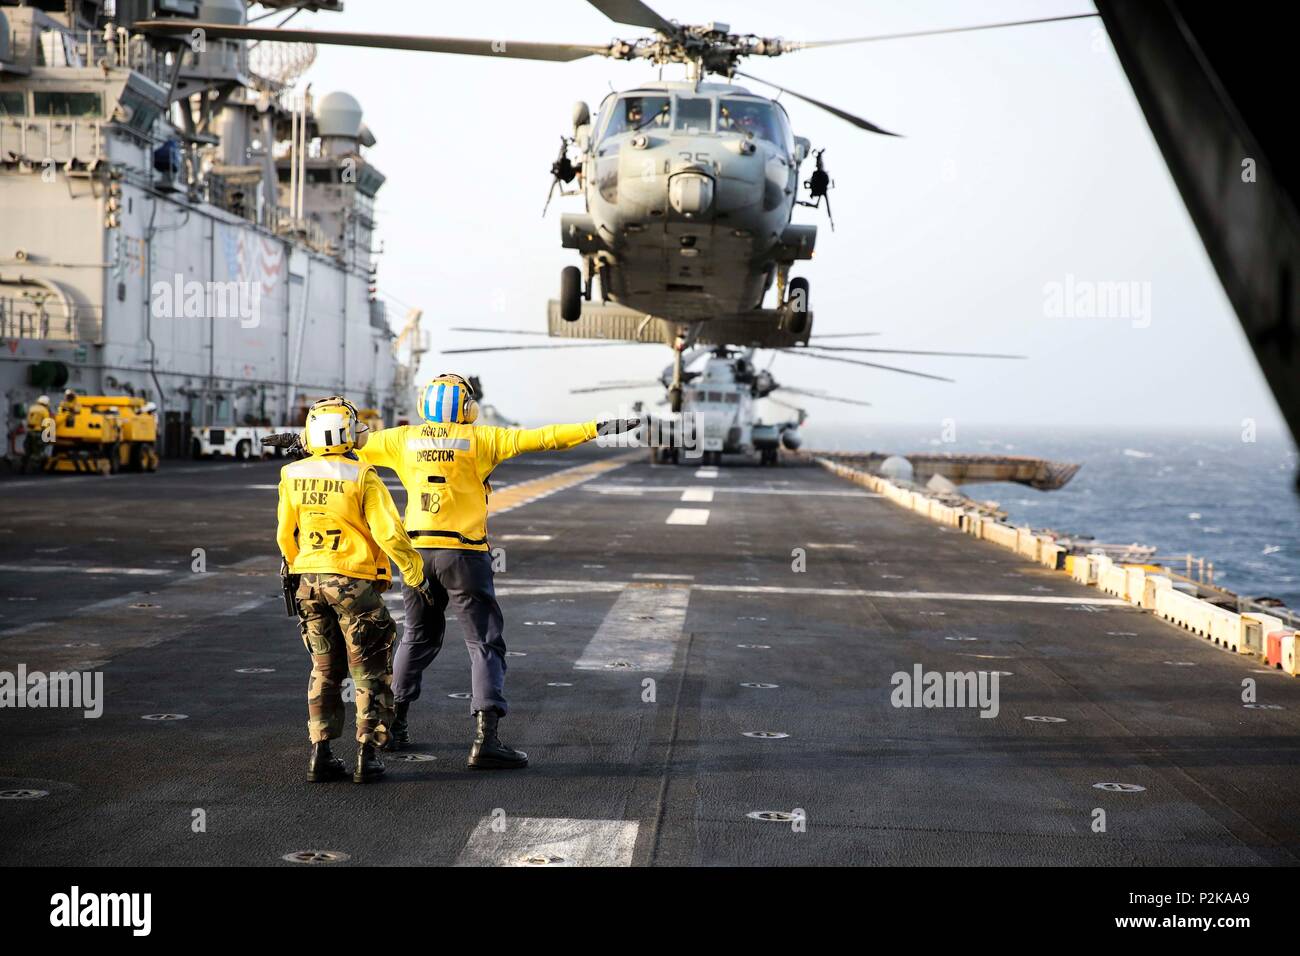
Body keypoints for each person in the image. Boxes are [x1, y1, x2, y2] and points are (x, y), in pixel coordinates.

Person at [357, 373, 640, 769]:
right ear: (468, 409)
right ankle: (485, 740)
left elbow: (342, 442)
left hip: (417, 553)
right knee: (484, 643)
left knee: (417, 638)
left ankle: (392, 726)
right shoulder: (483, 439)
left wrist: (299, 442)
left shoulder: (401, 439)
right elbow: (545, 437)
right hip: (465, 556)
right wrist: (597, 427)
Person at [276, 396, 435, 784]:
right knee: (370, 672)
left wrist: (302, 567)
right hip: (353, 584)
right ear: (348, 432)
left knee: (324, 670)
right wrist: (415, 574)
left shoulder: (291, 474)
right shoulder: (362, 475)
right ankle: (368, 755)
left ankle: (320, 754)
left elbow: (285, 534)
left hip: (308, 582)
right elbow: (389, 533)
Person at [20, 394, 51, 473]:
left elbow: (27, 419)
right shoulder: (44, 410)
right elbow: (46, 423)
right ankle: (35, 468)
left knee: (28, 450)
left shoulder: (32, 408)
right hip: (38, 432)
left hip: (29, 432)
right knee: (38, 451)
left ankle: (23, 466)